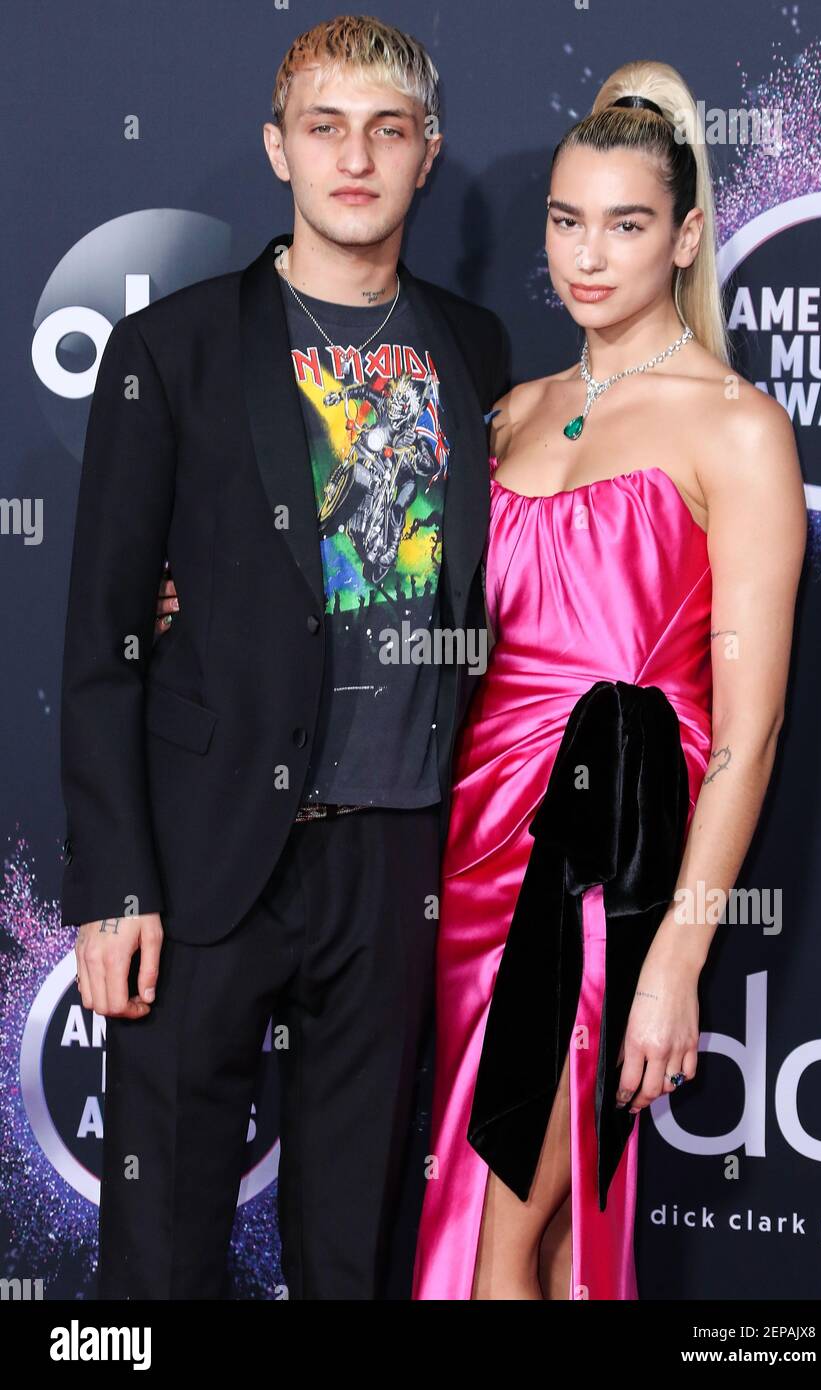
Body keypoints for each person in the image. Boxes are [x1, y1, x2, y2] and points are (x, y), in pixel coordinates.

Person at [60, 14, 508, 1300]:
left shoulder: (472, 350)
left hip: (393, 854)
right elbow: (102, 640)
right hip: (203, 858)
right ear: (278, 148)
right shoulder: (175, 351)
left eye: (386, 130)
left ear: (427, 153)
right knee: (158, 1250)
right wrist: (112, 886)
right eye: (325, 128)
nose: (354, 158)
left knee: (352, 1239)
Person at [411, 61, 806, 1300]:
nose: (589, 255)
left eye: (626, 224)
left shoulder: (734, 426)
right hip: (464, 851)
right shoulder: (510, 410)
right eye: (565, 220)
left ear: (684, 235)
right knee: (543, 1227)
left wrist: (678, 958)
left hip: (598, 870)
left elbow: (748, 730)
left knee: (501, 1248)